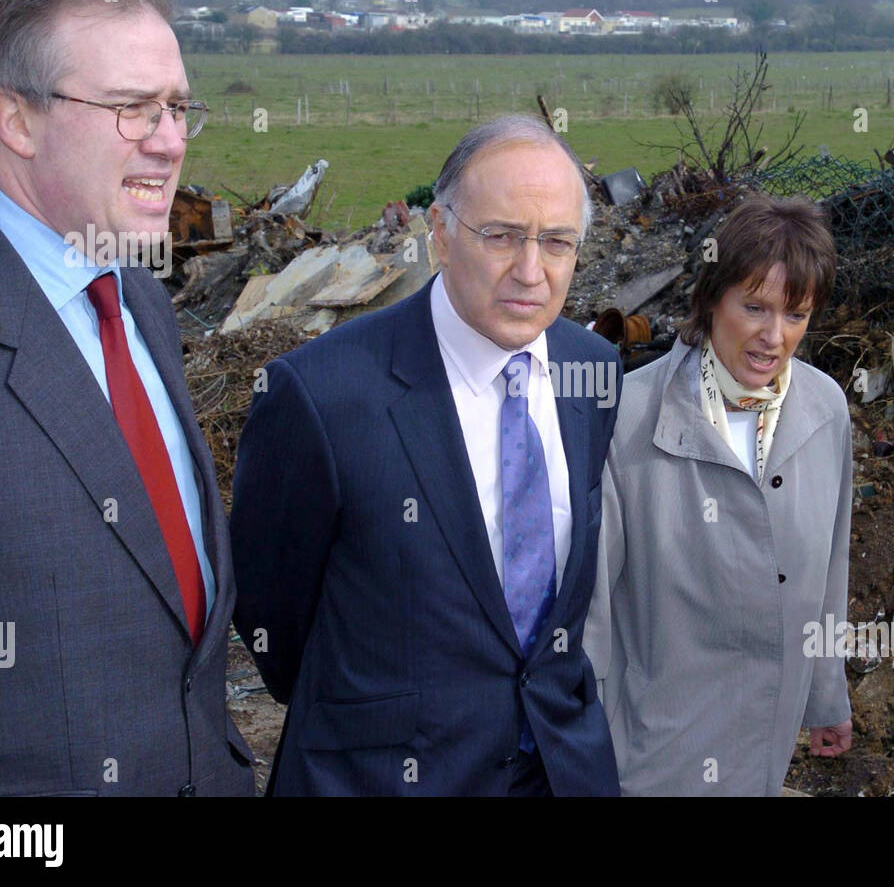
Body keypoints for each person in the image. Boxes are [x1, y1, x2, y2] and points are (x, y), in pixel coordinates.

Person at [0, 0, 254, 796]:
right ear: (17, 120)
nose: (171, 141)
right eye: (132, 107)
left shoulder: (137, 296)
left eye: (177, 108)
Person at [231, 115, 622, 796]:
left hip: (556, 774)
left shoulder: (595, 372)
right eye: (501, 236)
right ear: (440, 233)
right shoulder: (322, 396)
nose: (531, 271)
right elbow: (275, 623)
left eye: (556, 242)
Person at [586, 193, 854, 796]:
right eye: (754, 307)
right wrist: (583, 758)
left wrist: (825, 694)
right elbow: (593, 616)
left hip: (766, 745)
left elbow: (829, 570)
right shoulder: (627, 419)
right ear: (710, 299)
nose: (773, 337)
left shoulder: (824, 410)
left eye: (796, 315)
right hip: (653, 757)